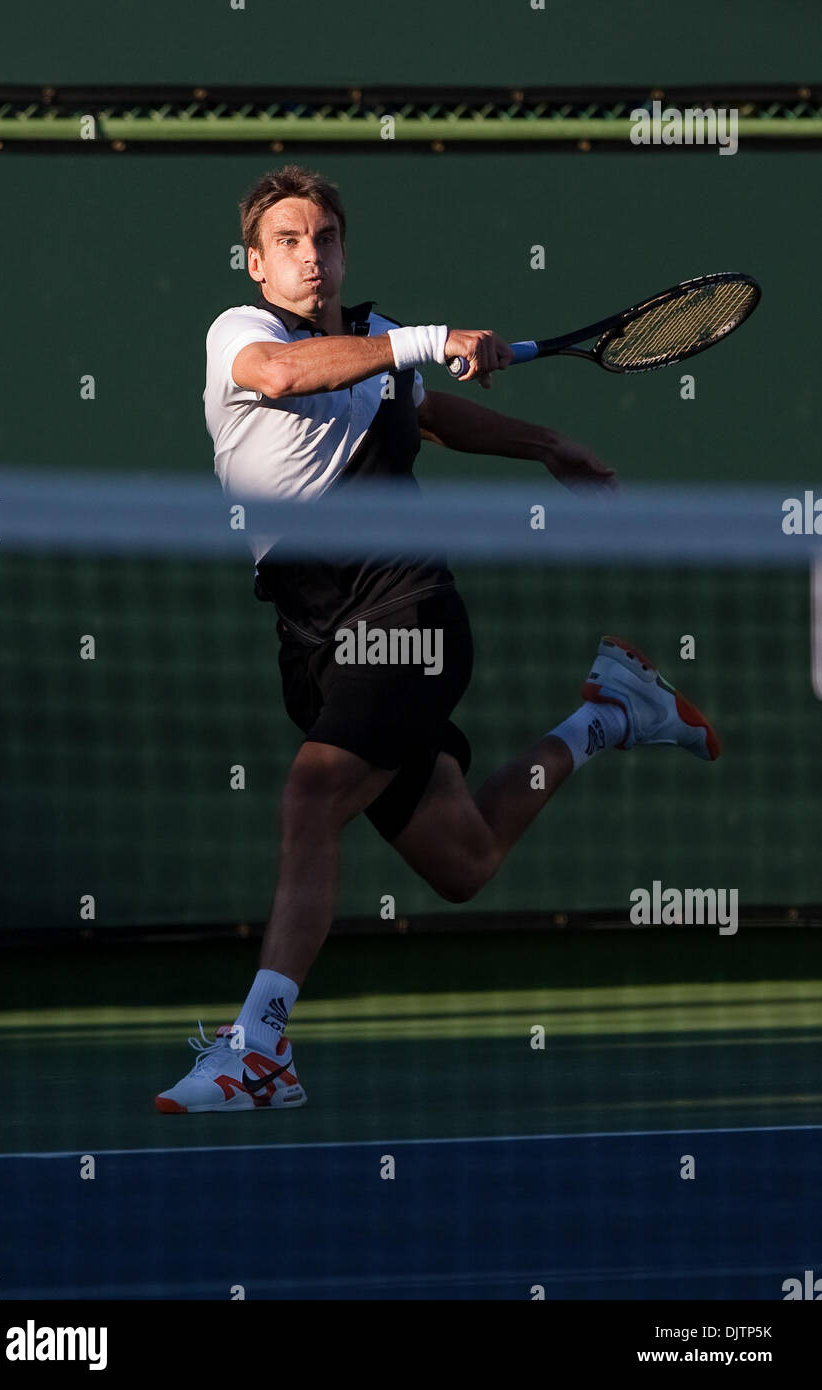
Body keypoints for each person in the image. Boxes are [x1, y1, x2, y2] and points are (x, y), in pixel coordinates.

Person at [156, 165, 718, 1114]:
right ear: (255, 264)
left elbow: (427, 409)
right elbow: (287, 377)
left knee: (311, 791)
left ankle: (260, 1047)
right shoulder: (243, 335)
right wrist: (422, 342)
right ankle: (614, 712)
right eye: (288, 242)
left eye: (325, 238)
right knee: (464, 862)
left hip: (407, 609)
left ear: (343, 252)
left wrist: (545, 443)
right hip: (311, 634)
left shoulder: (378, 343)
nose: (311, 257)